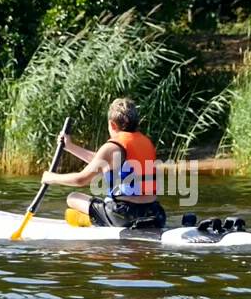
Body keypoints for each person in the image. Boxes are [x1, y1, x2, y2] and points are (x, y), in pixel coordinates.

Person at [40, 98, 167, 229]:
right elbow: (102, 162)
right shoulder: (146, 142)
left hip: (124, 216)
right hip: (155, 213)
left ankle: (89, 221)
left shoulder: (112, 147)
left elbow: (80, 180)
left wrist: (51, 177)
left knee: (73, 198)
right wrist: (70, 147)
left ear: (112, 125)